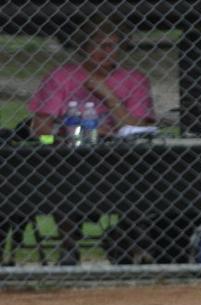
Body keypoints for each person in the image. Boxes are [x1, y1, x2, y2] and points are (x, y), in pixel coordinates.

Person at [25, 14, 156, 265]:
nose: (109, 52)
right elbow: (40, 128)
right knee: (63, 174)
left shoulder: (134, 79)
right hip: (70, 157)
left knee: (142, 173)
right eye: (101, 46)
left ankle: (136, 244)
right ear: (84, 47)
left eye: (114, 46)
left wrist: (108, 96)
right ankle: (68, 248)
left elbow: (140, 127)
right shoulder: (60, 77)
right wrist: (71, 132)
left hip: (119, 159)